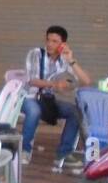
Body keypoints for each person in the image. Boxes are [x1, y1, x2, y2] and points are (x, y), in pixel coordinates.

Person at [20, 24, 92, 168]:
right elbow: (32, 80)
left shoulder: (64, 60)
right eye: (48, 40)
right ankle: (24, 151)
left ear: (62, 44)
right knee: (34, 111)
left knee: (76, 112)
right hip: (29, 97)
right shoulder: (36, 53)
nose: (49, 44)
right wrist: (55, 85)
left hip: (49, 102)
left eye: (54, 41)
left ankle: (64, 154)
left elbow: (86, 81)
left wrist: (71, 59)